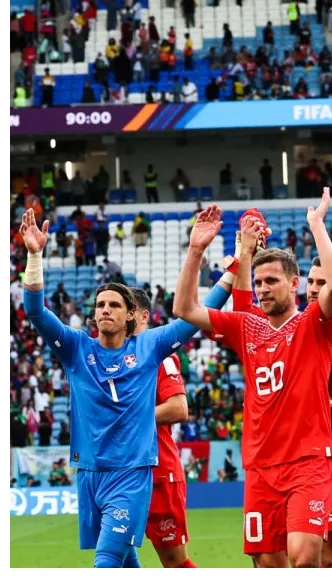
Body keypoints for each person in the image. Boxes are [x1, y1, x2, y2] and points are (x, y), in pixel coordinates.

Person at [172, 192, 332, 568]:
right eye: (259, 282)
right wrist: (196, 250)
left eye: (272, 281)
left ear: (296, 284)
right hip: (260, 468)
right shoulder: (246, 326)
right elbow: (184, 309)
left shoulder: (313, 324)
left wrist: (317, 226)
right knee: (267, 566)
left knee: (303, 559)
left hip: (308, 462)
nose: (263, 289)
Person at [18, 210, 201, 568]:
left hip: (141, 469)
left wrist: (216, 265)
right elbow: (36, 312)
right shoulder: (79, 350)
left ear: (134, 315)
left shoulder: (151, 350)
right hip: (94, 470)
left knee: (123, 560)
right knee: (126, 559)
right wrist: (35, 256)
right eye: (100, 304)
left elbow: (192, 326)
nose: (105, 310)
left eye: (115, 305)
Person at [228, 210, 332, 569]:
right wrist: (245, 254)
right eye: (310, 281)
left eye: (322, 282)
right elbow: (244, 310)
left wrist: (331, 358)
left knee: (330, 558)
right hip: (280, 451)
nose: (313, 288)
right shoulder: (277, 323)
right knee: (268, 558)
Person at [131, 284, 233, 569]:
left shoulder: (159, 354)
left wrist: (129, 418)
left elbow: (179, 408)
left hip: (158, 474)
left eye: (124, 308)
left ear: (141, 315)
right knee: (115, 554)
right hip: (121, 473)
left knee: (175, 562)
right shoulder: (112, 358)